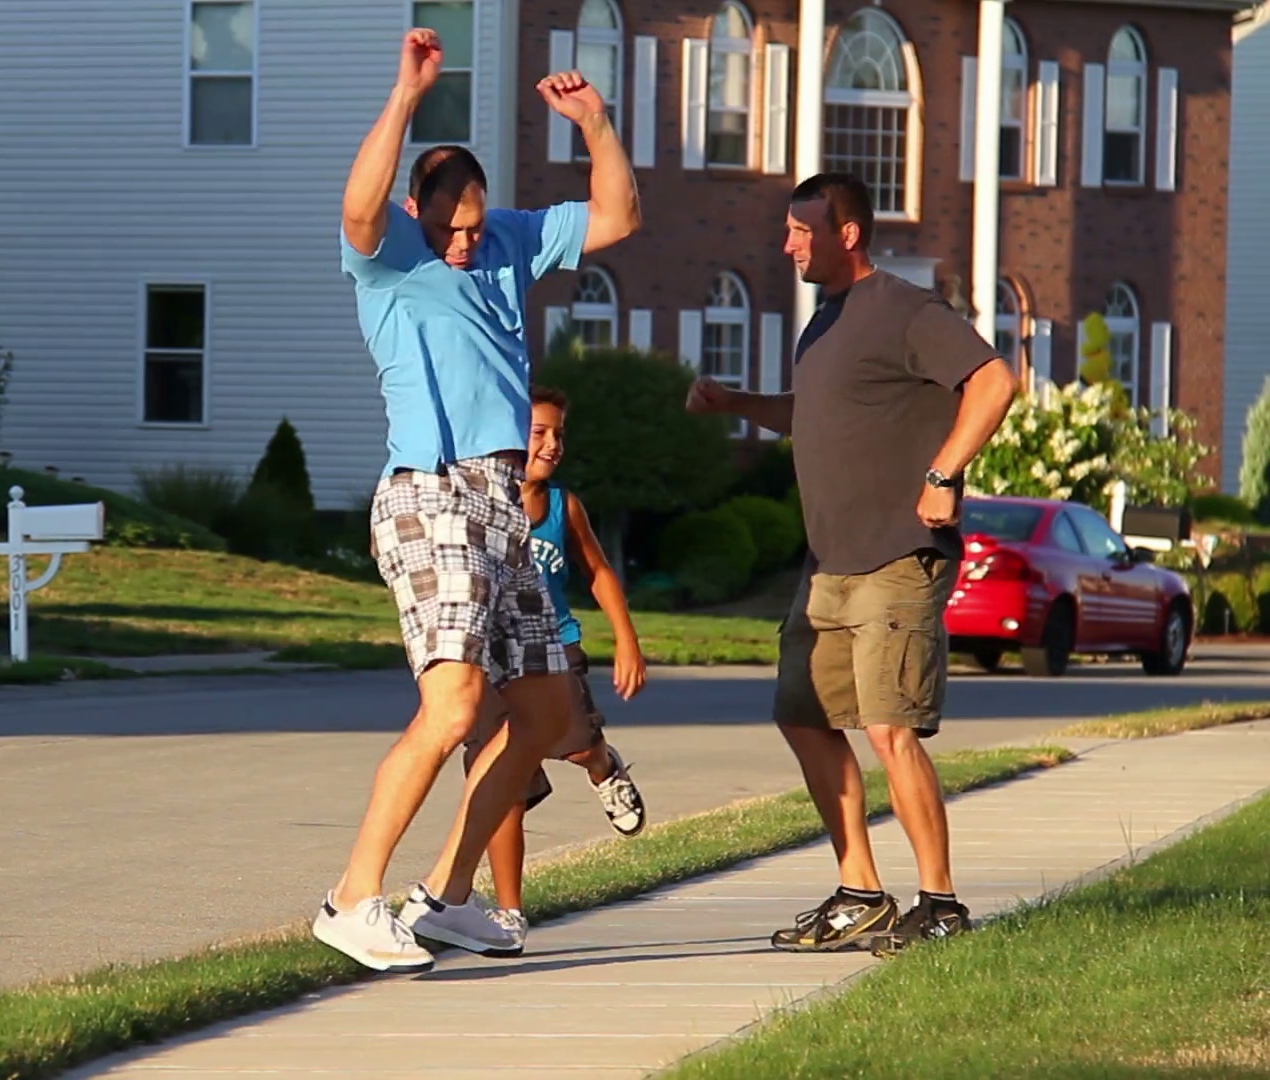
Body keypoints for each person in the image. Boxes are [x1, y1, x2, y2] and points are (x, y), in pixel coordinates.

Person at [312, 28, 641, 974]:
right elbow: (357, 204)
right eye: (448, 227)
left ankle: (448, 899)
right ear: (418, 210)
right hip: (430, 493)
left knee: (544, 713)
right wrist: (408, 96)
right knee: (455, 705)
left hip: (502, 505)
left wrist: (596, 123)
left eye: (472, 226)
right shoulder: (387, 257)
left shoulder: (508, 239)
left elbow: (618, 217)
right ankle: (351, 899)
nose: (463, 242)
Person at [684, 172, 1015, 956]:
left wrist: (942, 475)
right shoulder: (823, 324)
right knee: (803, 716)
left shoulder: (904, 308)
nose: (788, 245)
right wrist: (738, 405)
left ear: (849, 234)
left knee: (889, 730)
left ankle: (940, 903)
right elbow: (815, 416)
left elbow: (995, 381)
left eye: (802, 231)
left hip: (896, 555)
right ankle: (861, 891)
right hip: (828, 563)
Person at [457, 386, 650, 950]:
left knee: (580, 747)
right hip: (490, 659)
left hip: (554, 648)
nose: (551, 444)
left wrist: (627, 640)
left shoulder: (565, 507)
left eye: (558, 433)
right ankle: (510, 913)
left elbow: (599, 572)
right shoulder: (477, 500)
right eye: (539, 432)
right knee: (502, 784)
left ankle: (603, 766)